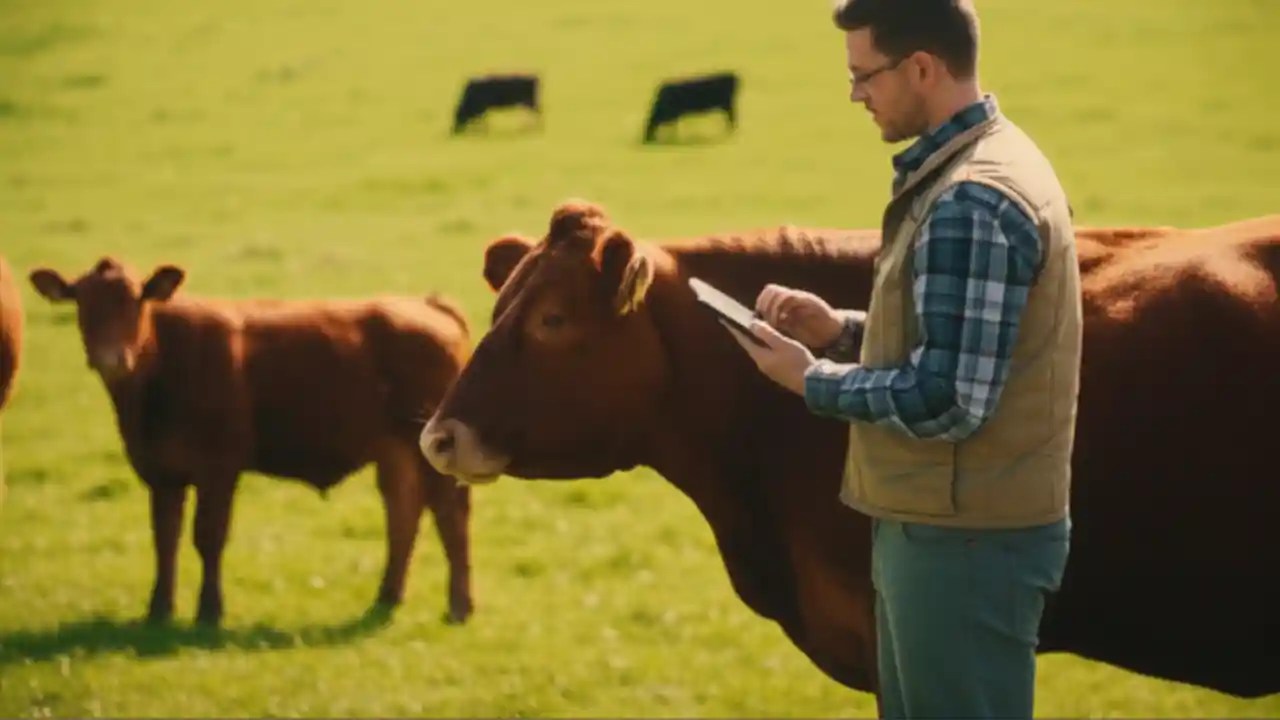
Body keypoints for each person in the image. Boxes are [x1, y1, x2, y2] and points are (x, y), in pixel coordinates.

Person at [721, 0, 1081, 717]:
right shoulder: (985, 162)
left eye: (864, 76)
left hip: (960, 541)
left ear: (921, 67)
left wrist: (810, 380)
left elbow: (949, 396)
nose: (856, 94)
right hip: (956, 527)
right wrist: (843, 330)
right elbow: (969, 345)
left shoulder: (970, 200)